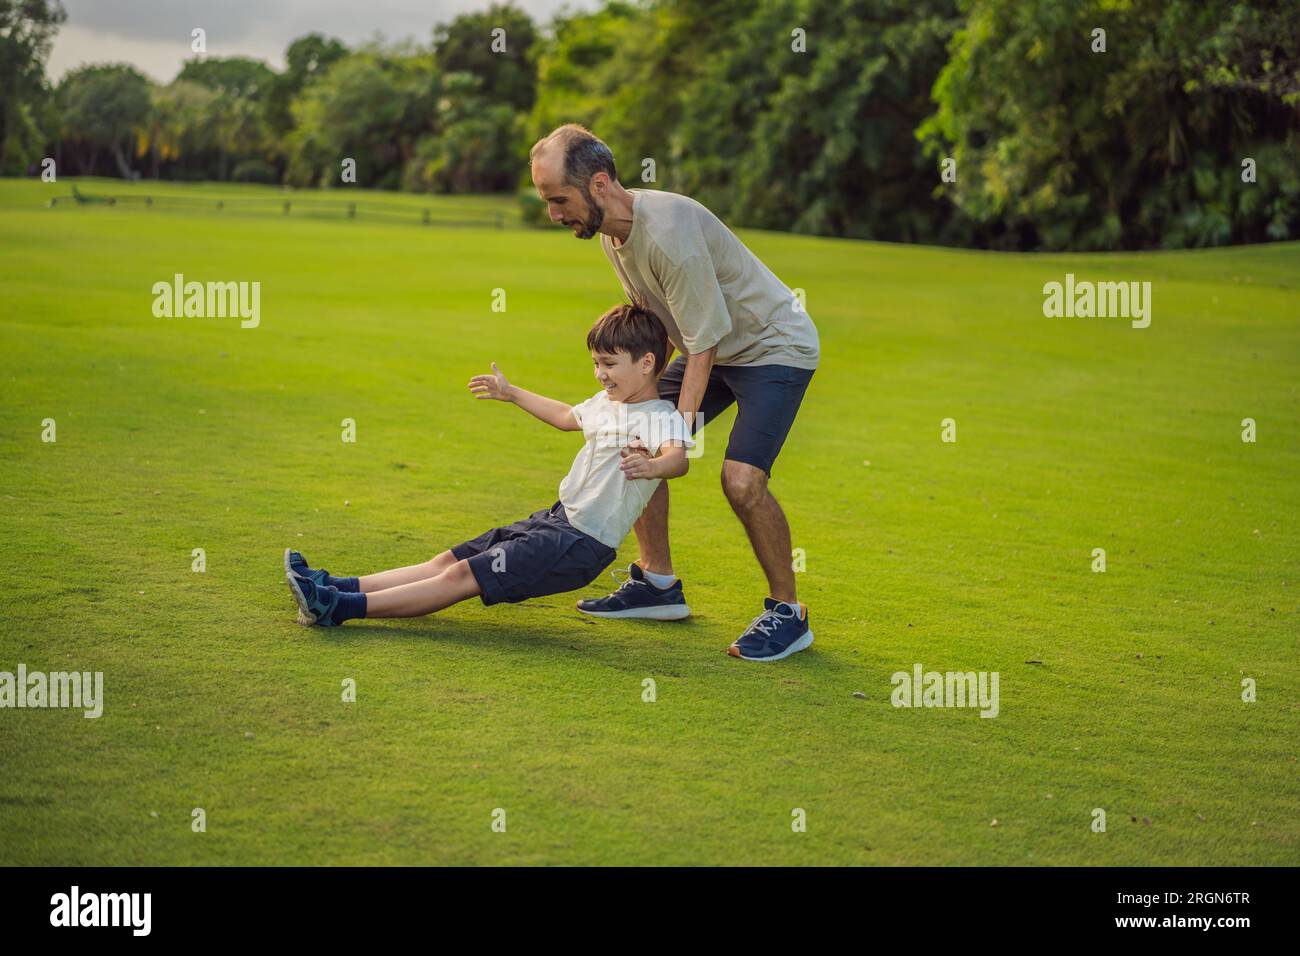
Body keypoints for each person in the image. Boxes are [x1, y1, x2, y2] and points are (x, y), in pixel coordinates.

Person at [529, 123, 818, 661]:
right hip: (712, 341)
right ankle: (658, 584)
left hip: (771, 346)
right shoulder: (614, 234)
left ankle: (788, 613)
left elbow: (704, 346)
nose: (554, 214)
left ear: (597, 185)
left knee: (740, 479)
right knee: (635, 435)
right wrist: (633, 398)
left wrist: (678, 436)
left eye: (558, 199)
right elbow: (658, 327)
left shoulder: (668, 235)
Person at [284, 303, 693, 627]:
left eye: (609, 363)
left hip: (579, 545)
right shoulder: (608, 403)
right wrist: (512, 393)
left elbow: (677, 459)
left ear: (646, 363)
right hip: (554, 521)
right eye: (596, 363)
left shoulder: (658, 417)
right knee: (447, 561)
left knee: (460, 578)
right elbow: (568, 416)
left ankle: (337, 607)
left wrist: (653, 468)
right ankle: (333, 584)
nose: (600, 374)